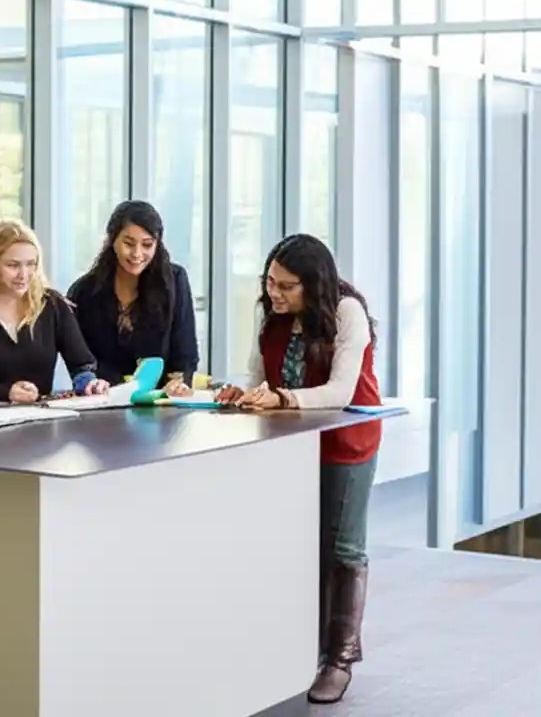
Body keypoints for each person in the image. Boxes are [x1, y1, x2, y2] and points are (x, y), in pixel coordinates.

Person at [215, 233, 383, 705]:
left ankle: (340, 658)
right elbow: (259, 377)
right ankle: (302, 650)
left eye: (287, 286)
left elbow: (340, 391)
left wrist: (283, 397)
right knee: (301, 547)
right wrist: (243, 393)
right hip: (291, 444)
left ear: (314, 285)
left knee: (343, 547)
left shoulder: (347, 313)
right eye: (271, 281)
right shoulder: (270, 315)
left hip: (345, 440)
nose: (275, 293)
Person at [0, 218, 110, 403]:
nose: (24, 275)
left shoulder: (52, 305)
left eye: (31, 264)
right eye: (13, 265)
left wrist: (89, 383)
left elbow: (81, 366)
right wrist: (6, 393)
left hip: (39, 420)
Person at [66, 199, 199, 396]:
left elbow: (184, 351)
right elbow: (81, 359)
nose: (137, 254)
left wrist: (178, 384)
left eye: (147, 245)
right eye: (129, 243)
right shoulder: (85, 291)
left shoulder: (174, 280)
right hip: (104, 401)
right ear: (112, 240)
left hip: (162, 403)